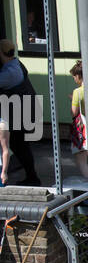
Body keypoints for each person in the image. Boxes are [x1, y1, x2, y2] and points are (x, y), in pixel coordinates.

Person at [0, 40, 39, 185]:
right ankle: (32, 176)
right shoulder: (16, 64)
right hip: (24, 110)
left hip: (20, 113)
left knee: (19, 145)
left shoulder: (9, 73)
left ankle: (32, 178)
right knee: (20, 146)